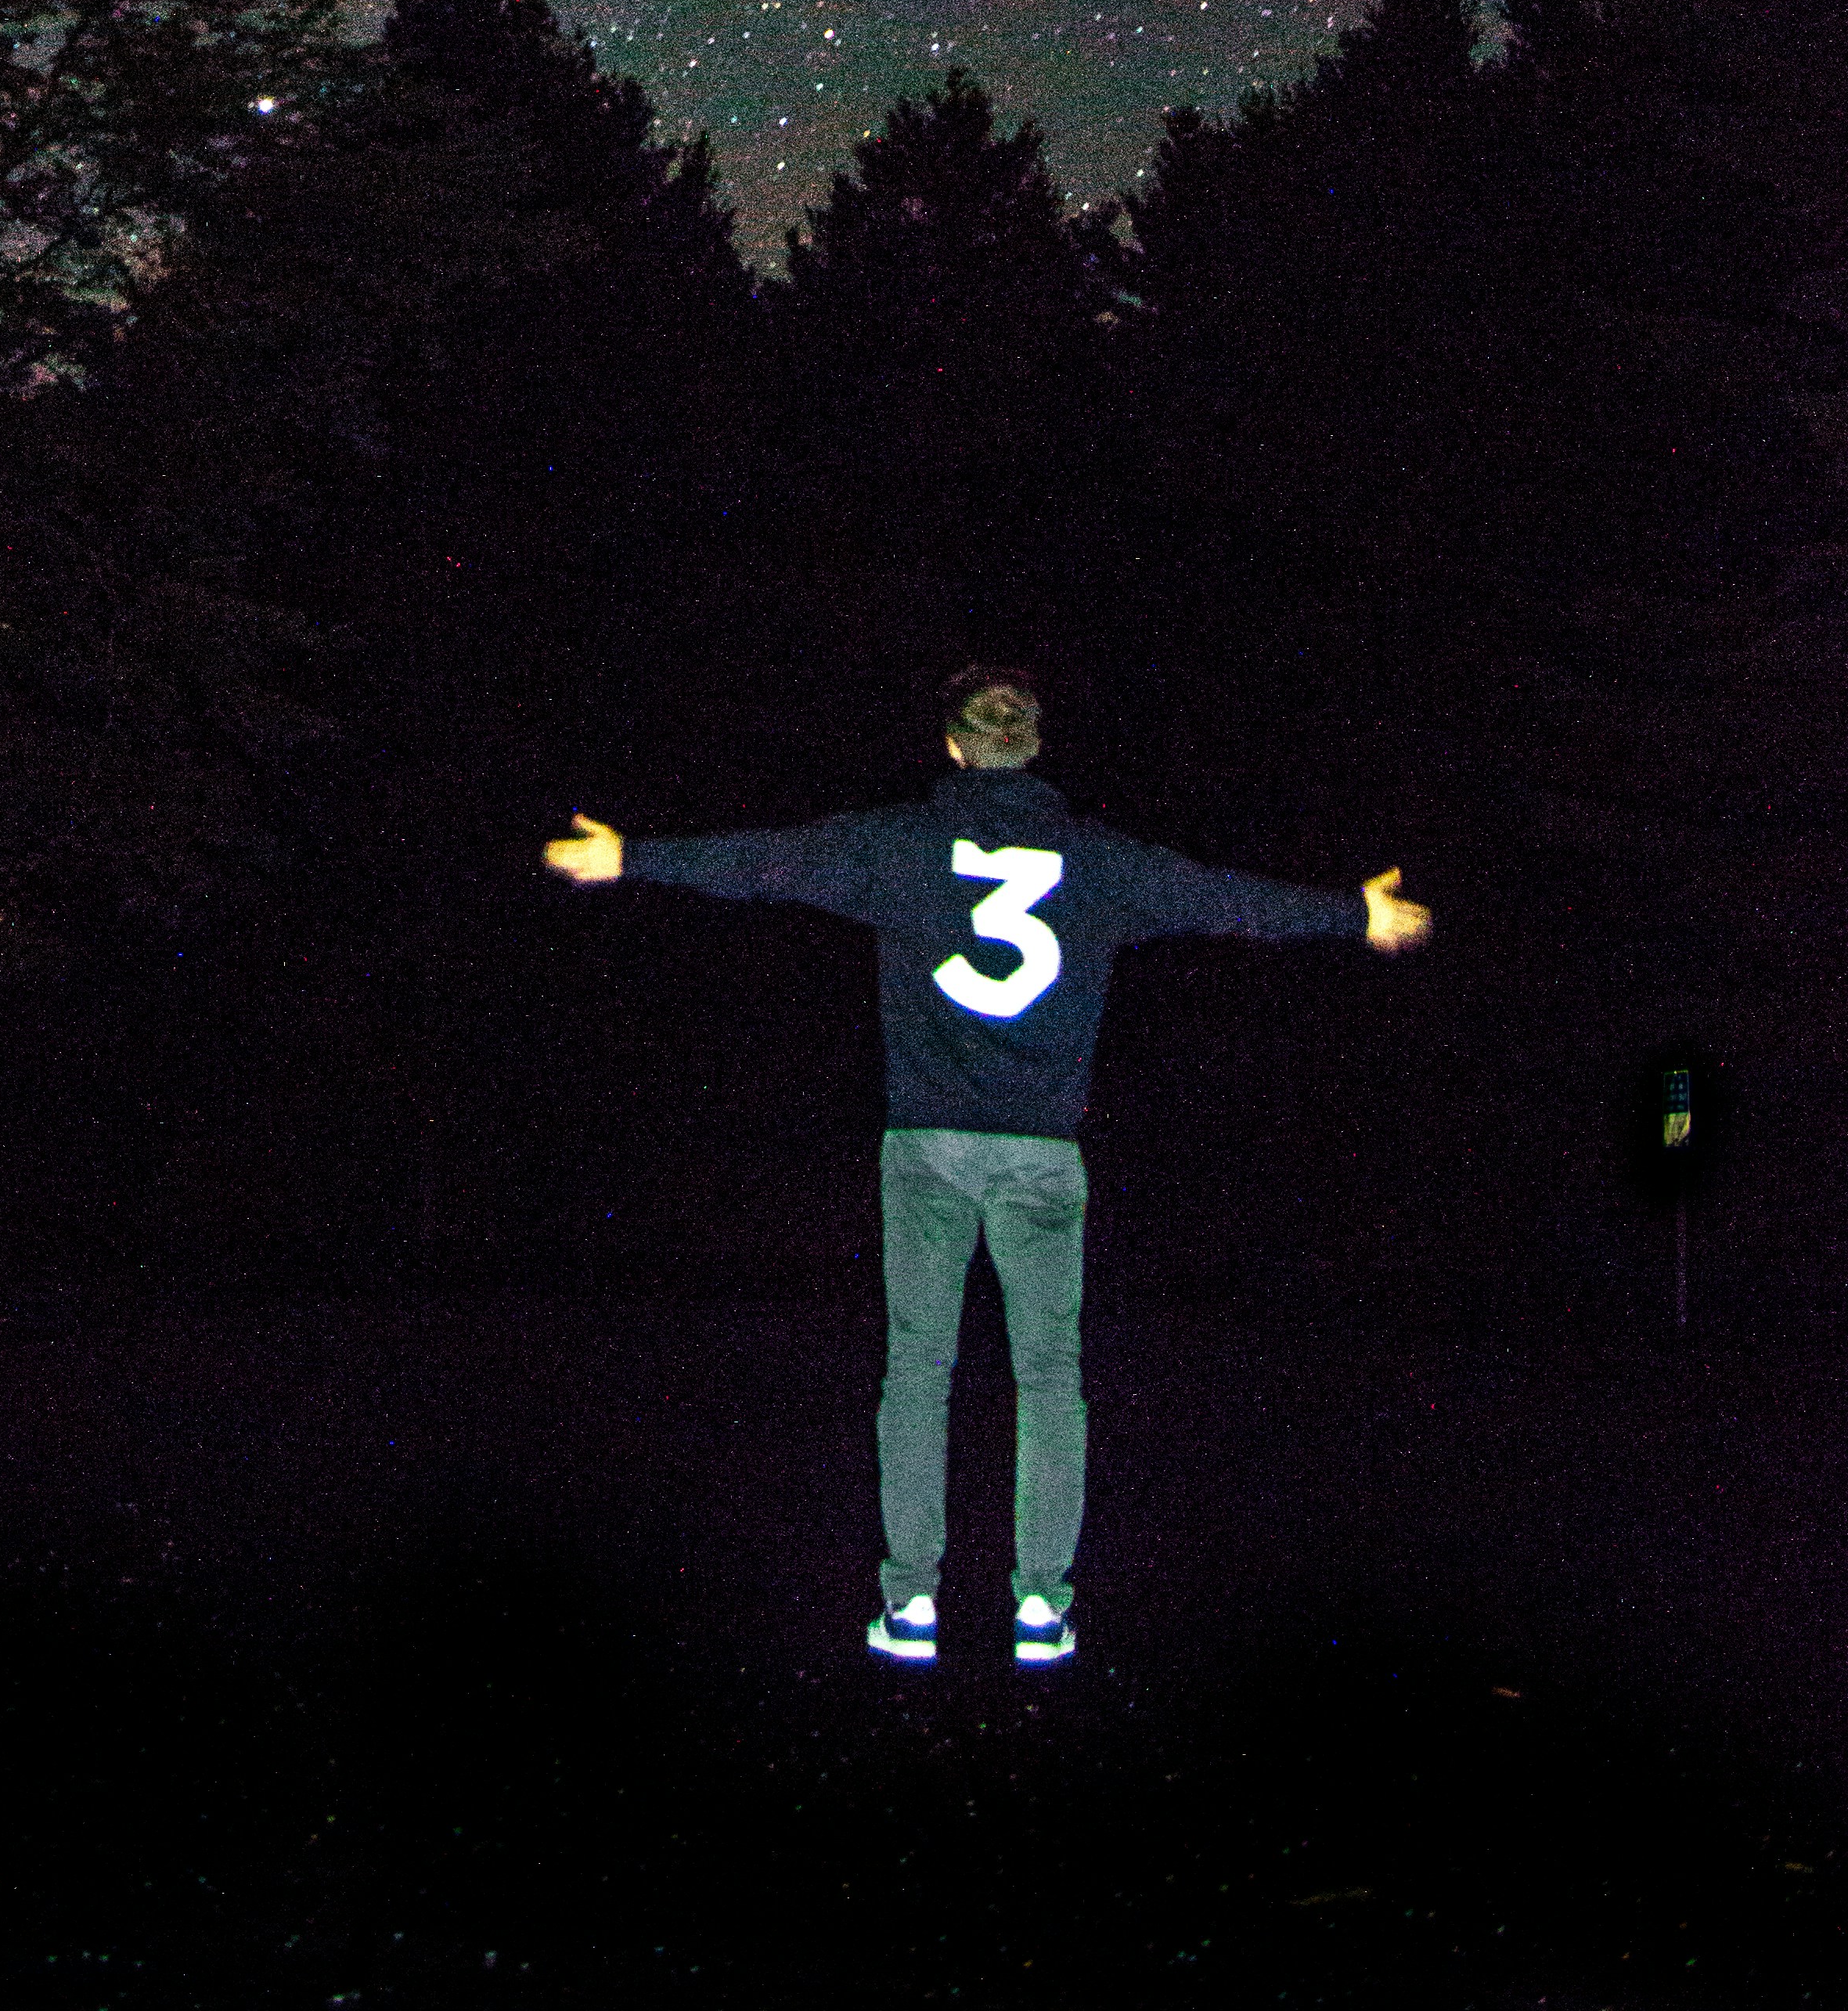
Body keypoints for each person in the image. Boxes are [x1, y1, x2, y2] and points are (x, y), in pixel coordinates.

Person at [542, 663, 1432, 1670]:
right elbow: (1220, 895)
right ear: (1033, 748)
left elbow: (769, 860)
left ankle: (912, 1603)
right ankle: (1042, 1608)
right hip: (1044, 1154)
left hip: (925, 1147)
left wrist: (630, 857)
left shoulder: (897, 843)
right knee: (1050, 1377)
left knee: (918, 1369)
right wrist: (1352, 914)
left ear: (954, 747)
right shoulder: (1100, 860)